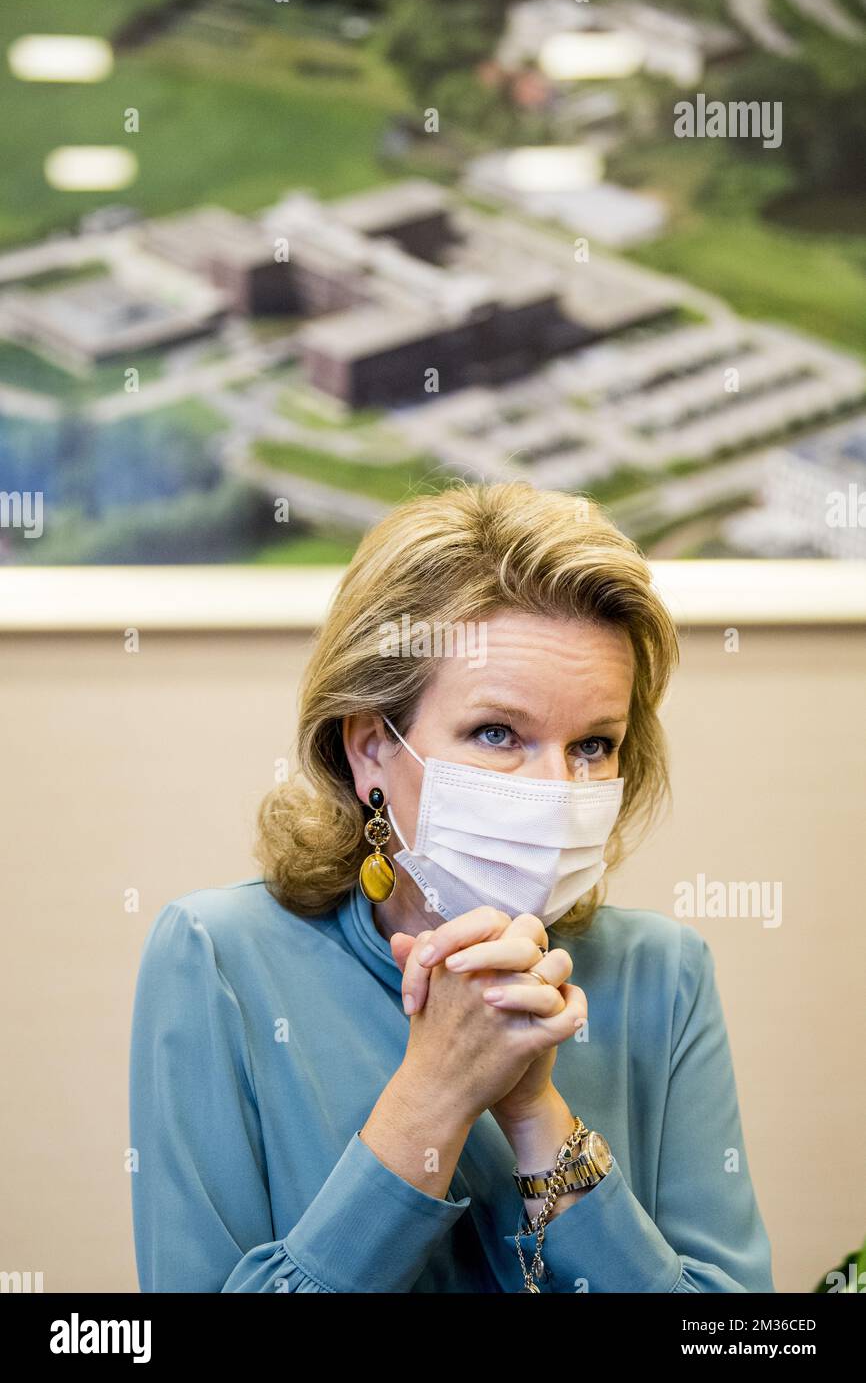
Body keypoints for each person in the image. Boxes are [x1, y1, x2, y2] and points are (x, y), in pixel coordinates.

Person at [129, 480, 775, 1293]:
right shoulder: (218, 958)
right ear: (371, 744)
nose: (556, 787)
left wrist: (540, 1118)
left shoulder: (664, 972)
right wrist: (434, 1092)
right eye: (497, 733)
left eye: (593, 745)